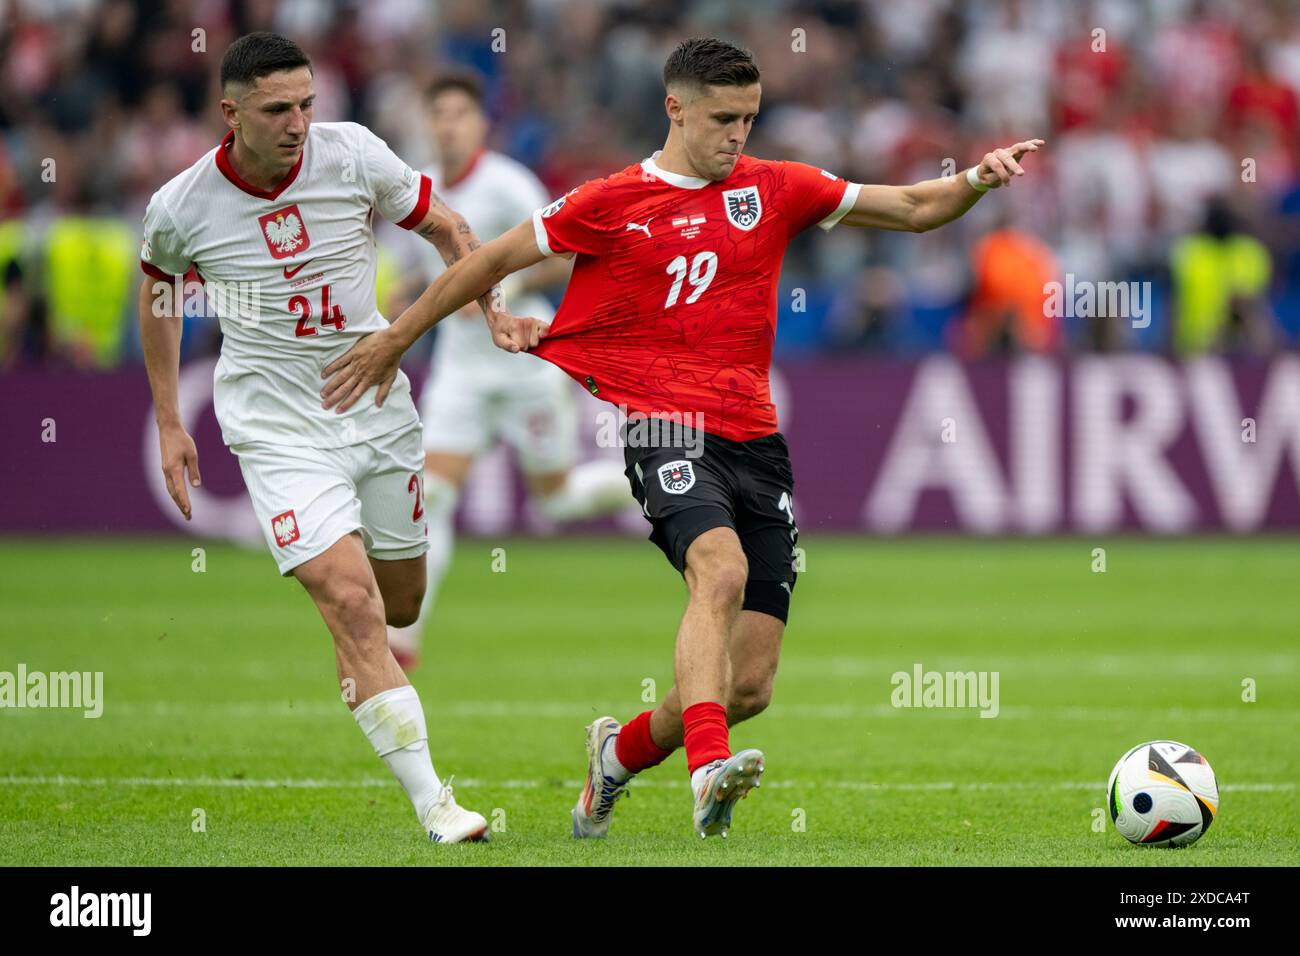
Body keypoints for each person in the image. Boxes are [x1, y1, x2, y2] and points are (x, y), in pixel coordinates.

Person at [319, 36, 1042, 840]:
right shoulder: (610, 200)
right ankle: (707, 773)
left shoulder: (776, 188)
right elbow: (485, 261)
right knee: (718, 568)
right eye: (724, 119)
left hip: (756, 441)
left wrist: (976, 180)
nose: (739, 136)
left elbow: (913, 208)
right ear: (676, 108)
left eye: (750, 119)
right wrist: (396, 338)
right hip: (665, 427)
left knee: (750, 687)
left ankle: (615, 758)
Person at [138, 32, 538, 845]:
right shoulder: (180, 205)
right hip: (277, 425)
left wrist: (486, 308)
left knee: (399, 603)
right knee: (349, 601)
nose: (297, 122)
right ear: (231, 111)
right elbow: (156, 293)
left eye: (307, 104)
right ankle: (437, 804)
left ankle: (367, 671)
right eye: (278, 108)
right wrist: (170, 419)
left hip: (378, 408)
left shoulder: (352, 154)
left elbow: (450, 228)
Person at [385, 73, 631, 672]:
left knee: (559, 503)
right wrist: (409, 292)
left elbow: (569, 252)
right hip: (460, 371)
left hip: (525, 359)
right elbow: (433, 268)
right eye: (438, 113)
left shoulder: (508, 184)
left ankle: (659, 474)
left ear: (480, 124)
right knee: (434, 495)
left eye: (459, 113)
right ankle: (405, 640)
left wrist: (507, 281)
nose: (448, 124)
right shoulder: (419, 189)